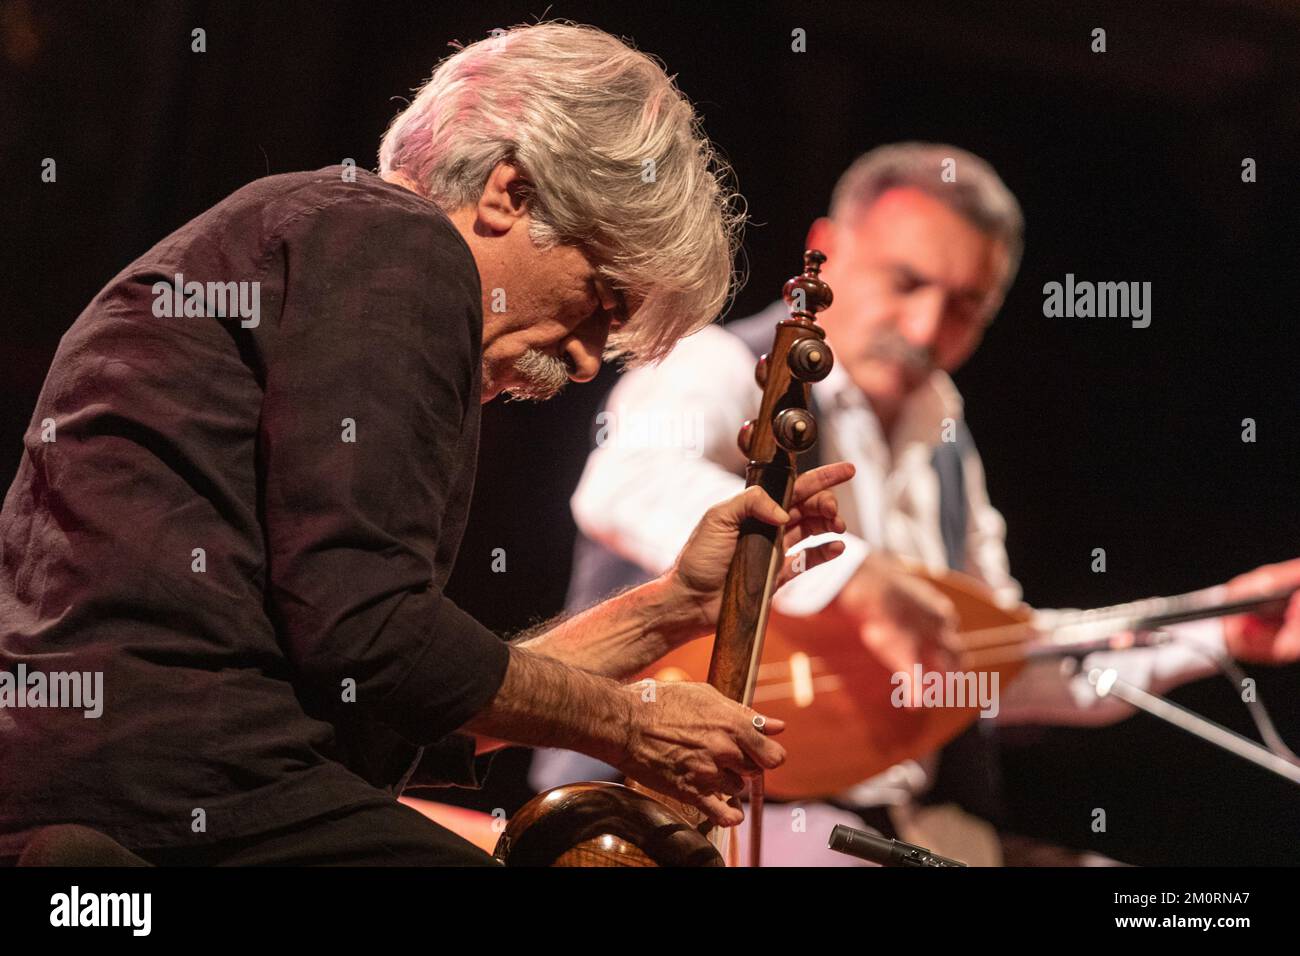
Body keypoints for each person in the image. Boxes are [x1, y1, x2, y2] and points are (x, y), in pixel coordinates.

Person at [0, 22, 857, 866]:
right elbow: (370, 634)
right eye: (599, 299)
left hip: (146, 776)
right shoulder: (395, 242)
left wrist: (671, 605)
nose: (591, 359)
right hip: (167, 786)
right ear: (508, 195)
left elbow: (398, 684)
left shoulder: (333, 246)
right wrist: (629, 724)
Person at [540, 142, 1300, 865]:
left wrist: (1217, 625)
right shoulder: (724, 363)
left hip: (889, 829)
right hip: (678, 812)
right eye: (906, 283)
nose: (927, 331)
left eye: (967, 306)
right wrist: (858, 580)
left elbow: (996, 656)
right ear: (826, 248)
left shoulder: (944, 430)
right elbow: (623, 483)